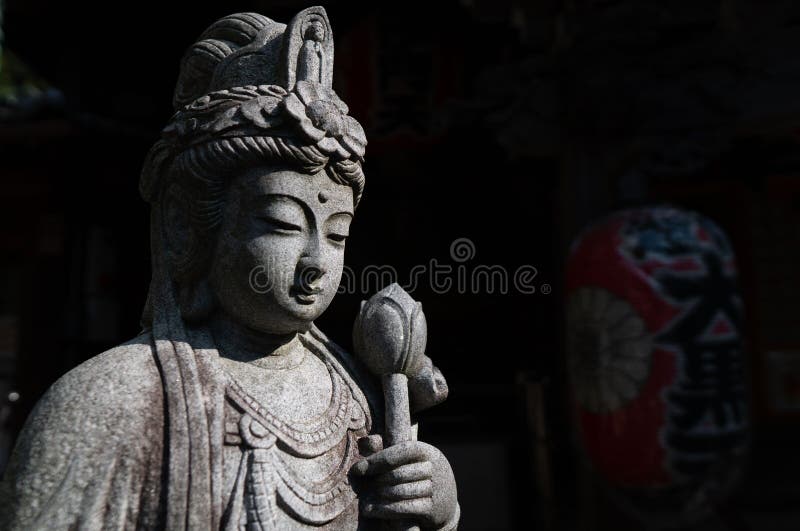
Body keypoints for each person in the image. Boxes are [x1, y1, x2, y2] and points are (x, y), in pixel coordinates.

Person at [0, 8, 459, 530]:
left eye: (336, 234)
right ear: (186, 226)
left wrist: (438, 507)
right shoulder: (110, 404)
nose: (315, 263)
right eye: (284, 225)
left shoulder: (363, 395)